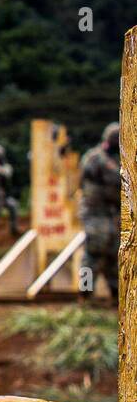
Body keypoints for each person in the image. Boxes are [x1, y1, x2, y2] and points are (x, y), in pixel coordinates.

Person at [79, 121, 122, 304]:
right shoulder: (96, 158)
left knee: (113, 255)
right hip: (95, 216)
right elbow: (116, 178)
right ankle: (85, 294)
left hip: (110, 215)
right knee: (92, 256)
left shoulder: (112, 159)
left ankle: (116, 295)